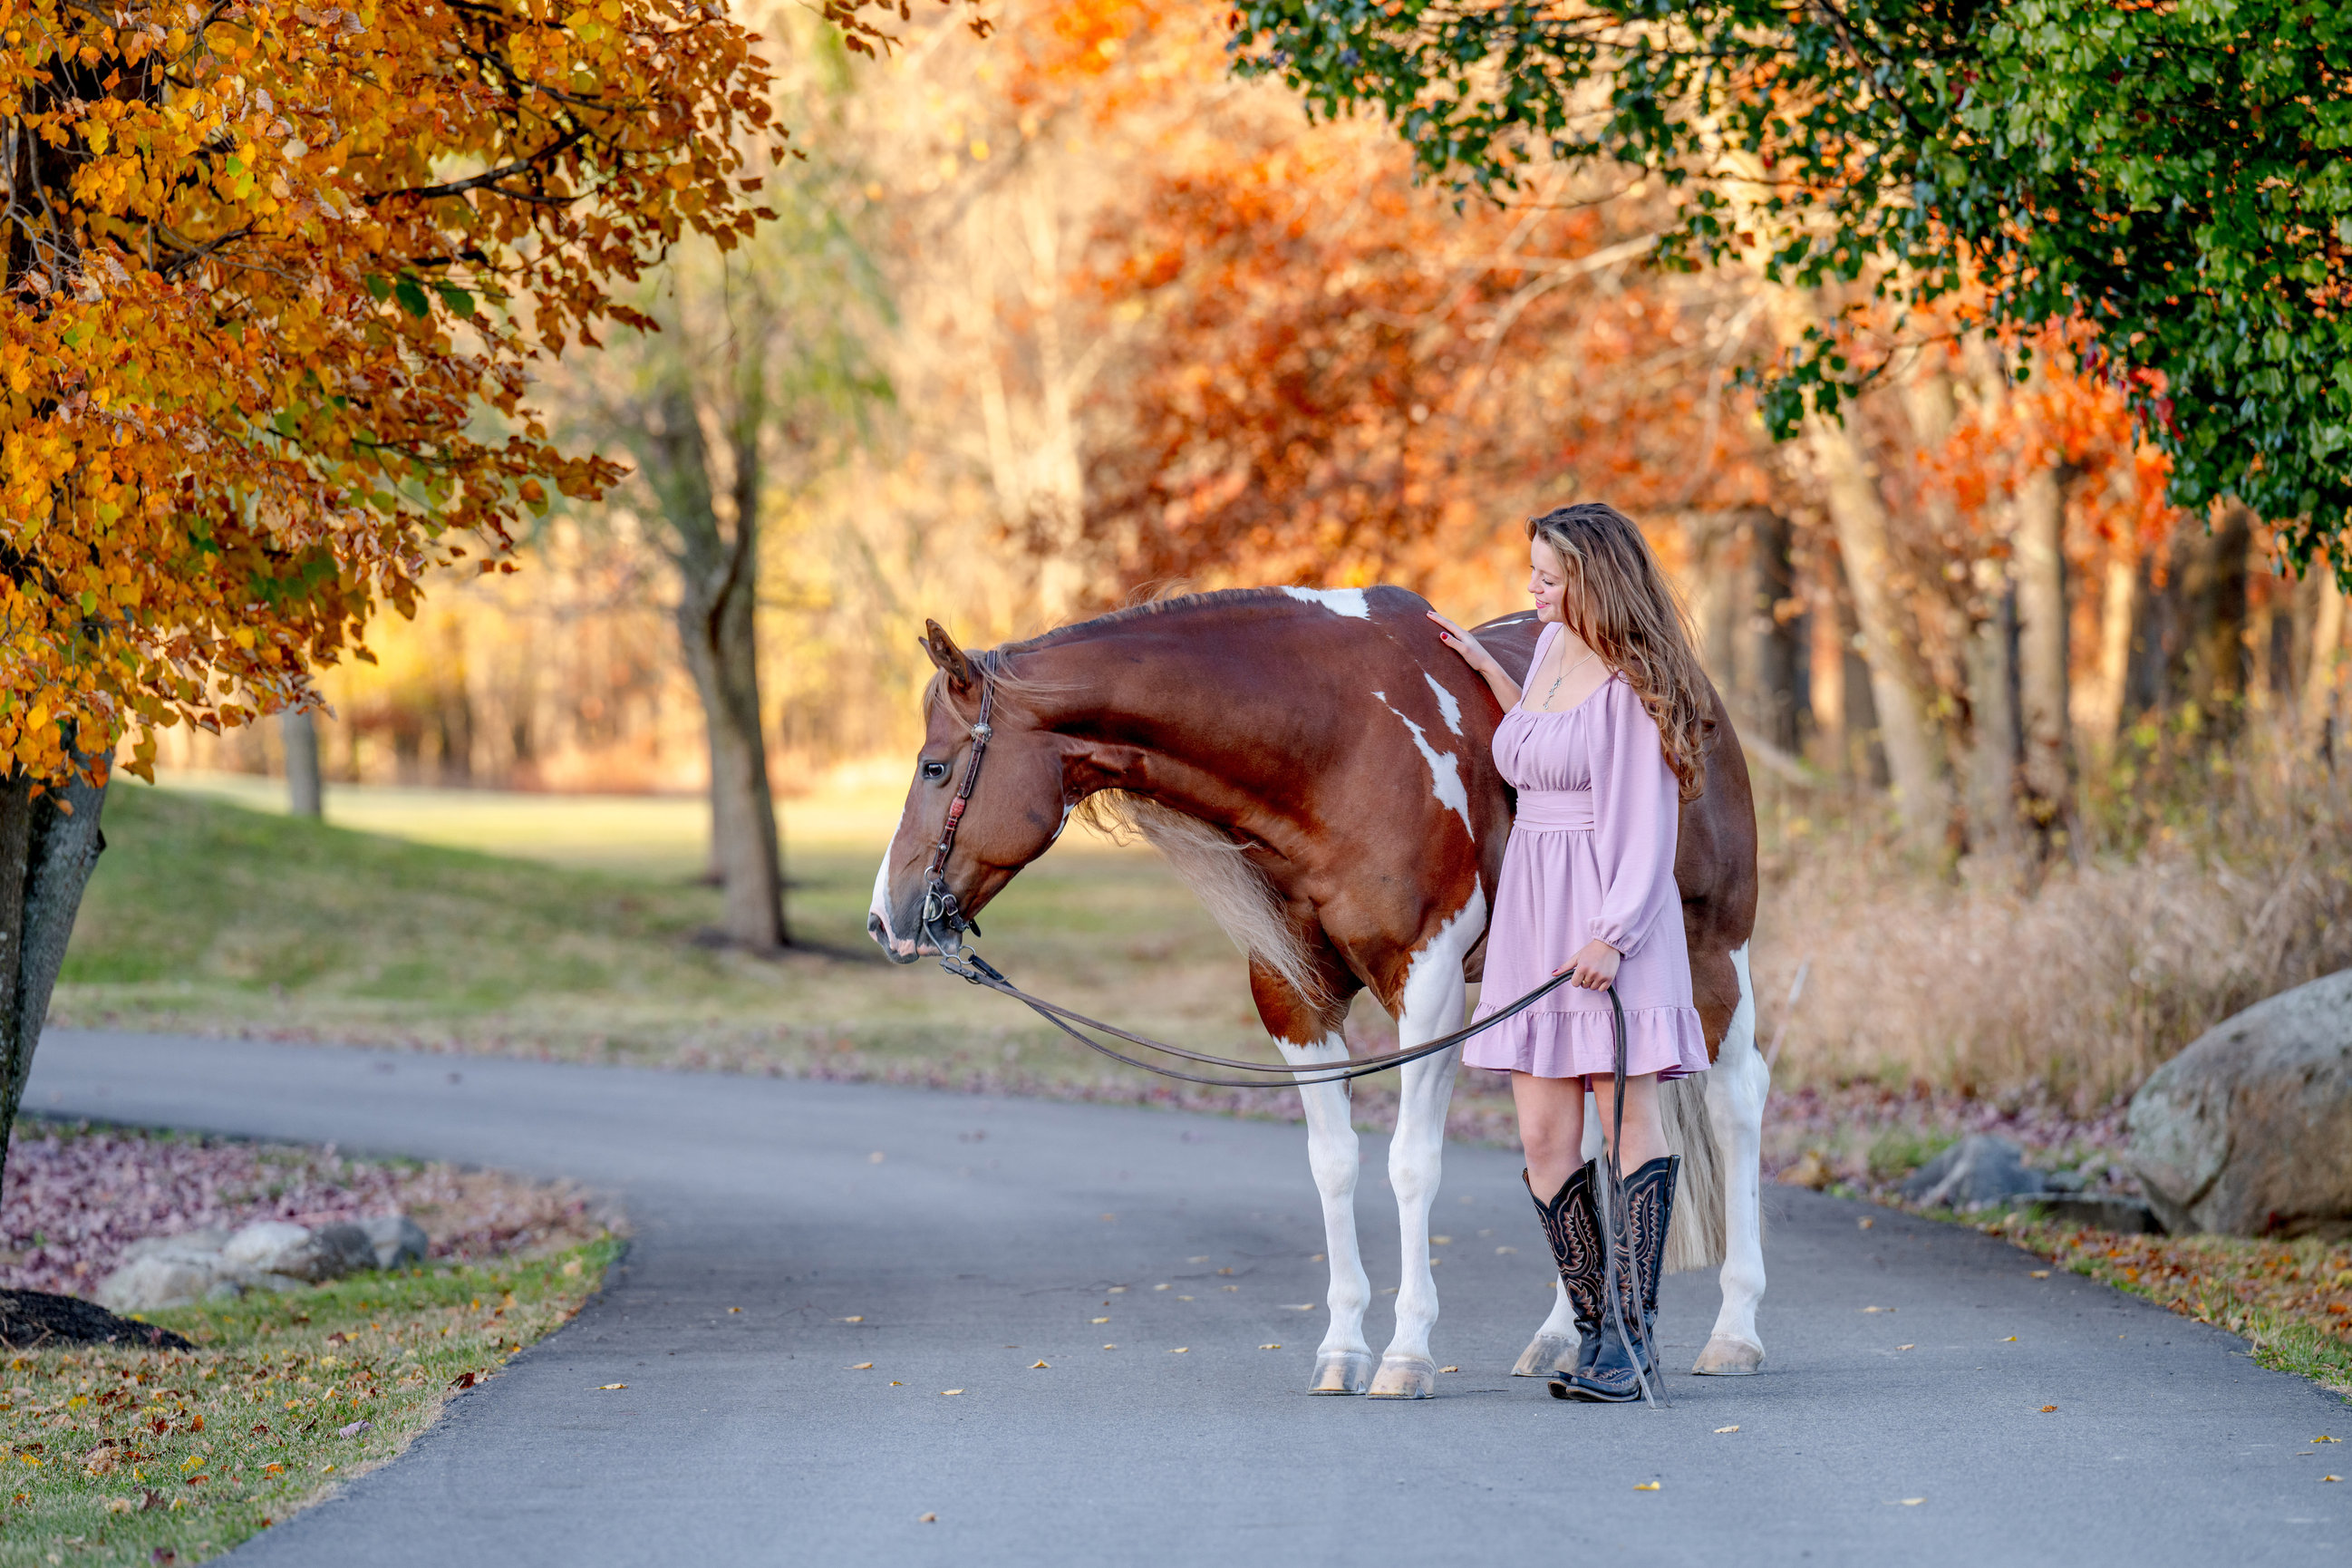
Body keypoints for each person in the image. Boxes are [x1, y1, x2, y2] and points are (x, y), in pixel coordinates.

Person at [1427, 501, 1713, 1403]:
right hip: (1534, 919)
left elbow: (1644, 822)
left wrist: (1613, 933)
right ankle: (1596, 1326)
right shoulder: (1550, 653)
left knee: (1627, 1124)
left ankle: (1633, 1339)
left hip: (1607, 923)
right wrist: (1486, 670)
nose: (1532, 590)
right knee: (1545, 1137)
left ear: (1593, 579)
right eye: (1534, 573)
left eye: (1548, 576)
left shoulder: (1633, 685)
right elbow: (1541, 746)